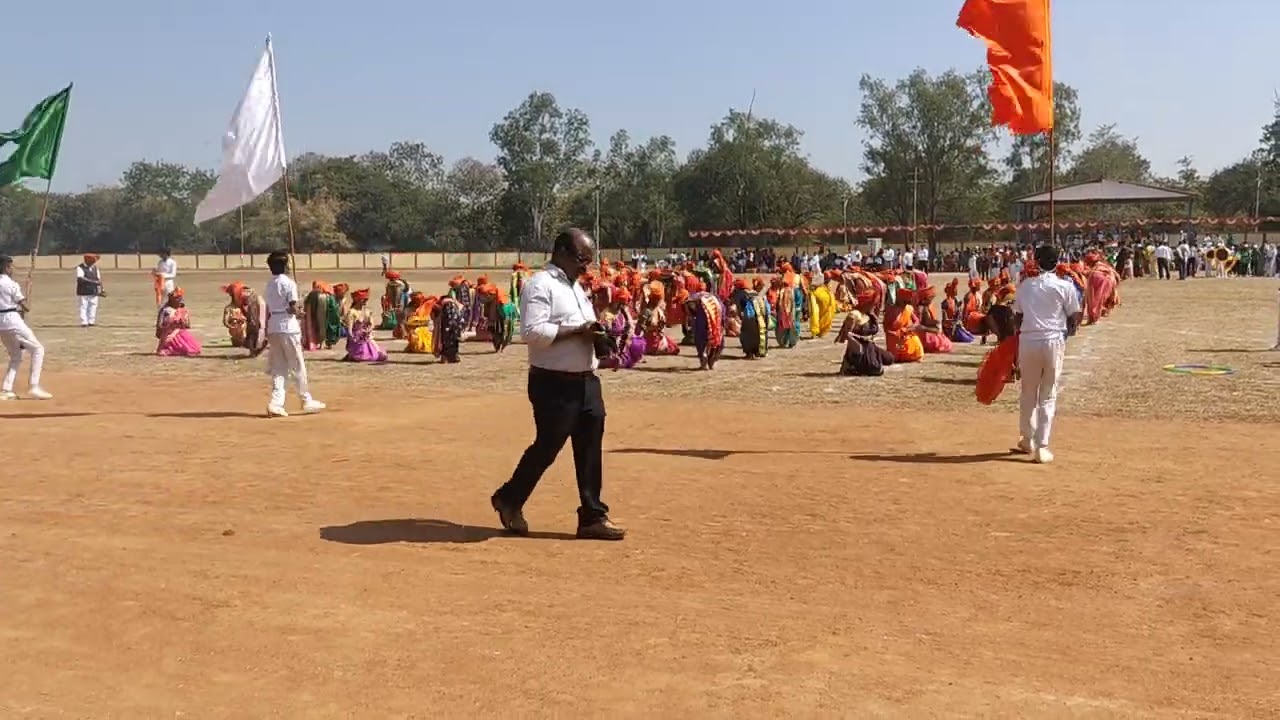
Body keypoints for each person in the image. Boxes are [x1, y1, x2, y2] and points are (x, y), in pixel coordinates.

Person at [491, 228, 624, 541]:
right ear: (561, 251)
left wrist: (598, 336)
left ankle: (592, 516)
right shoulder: (541, 285)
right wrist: (578, 331)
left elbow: (581, 327)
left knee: (590, 448)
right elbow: (532, 332)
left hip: (586, 381)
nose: (586, 268)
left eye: (589, 261)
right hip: (553, 382)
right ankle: (509, 498)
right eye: (582, 260)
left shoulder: (576, 288)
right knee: (547, 447)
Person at [1012, 245, 1083, 464]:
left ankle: (1027, 438)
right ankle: (1042, 446)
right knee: (1048, 394)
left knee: (1028, 391)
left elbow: (1017, 316)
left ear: (1036, 261)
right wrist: (1069, 331)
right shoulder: (1065, 286)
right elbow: (1076, 314)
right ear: (1057, 262)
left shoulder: (1025, 286)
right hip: (1053, 340)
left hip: (1028, 340)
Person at [263, 250, 325, 417]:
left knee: (279, 367)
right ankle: (306, 399)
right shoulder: (289, 283)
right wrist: (300, 311)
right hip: (288, 326)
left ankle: (276, 403)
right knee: (297, 365)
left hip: (273, 326)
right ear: (285, 265)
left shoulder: (269, 284)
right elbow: (292, 307)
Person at [0, 254, 52, 400]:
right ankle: (34, 386)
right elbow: (26, 307)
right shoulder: (11, 284)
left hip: (1, 324)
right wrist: (29, 288)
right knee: (38, 349)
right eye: (10, 266)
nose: (12, 269)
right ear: (6, 267)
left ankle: (6, 389)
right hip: (12, 321)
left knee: (16, 356)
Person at [836, 309, 894, 376]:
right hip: (877, 368)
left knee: (856, 352)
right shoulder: (866, 335)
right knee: (885, 356)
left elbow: (857, 350)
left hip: (866, 367)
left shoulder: (852, 337)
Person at [342, 289, 388, 363]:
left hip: (366, 336)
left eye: (366, 299)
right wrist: (353, 338)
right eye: (363, 299)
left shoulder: (367, 311)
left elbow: (371, 323)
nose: (365, 301)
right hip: (356, 338)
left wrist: (368, 330)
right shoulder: (352, 312)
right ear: (357, 300)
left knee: (380, 355)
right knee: (361, 356)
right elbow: (349, 329)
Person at [154, 289, 203, 356]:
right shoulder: (165, 310)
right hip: (168, 334)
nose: (178, 300)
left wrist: (182, 321)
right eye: (176, 298)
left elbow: (187, 325)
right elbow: (159, 324)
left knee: (192, 349)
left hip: (180, 333)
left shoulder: (182, 310)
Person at [686, 290, 726, 370]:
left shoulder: (690, 301)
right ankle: (712, 361)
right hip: (717, 312)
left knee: (701, 338)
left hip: (705, 313)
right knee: (716, 338)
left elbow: (691, 314)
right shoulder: (715, 299)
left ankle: (704, 361)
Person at [883, 288, 924, 363]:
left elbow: (917, 321)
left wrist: (908, 329)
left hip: (906, 334)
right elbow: (886, 328)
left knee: (915, 339)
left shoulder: (909, 308)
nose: (906, 303)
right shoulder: (891, 310)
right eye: (905, 301)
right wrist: (896, 334)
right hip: (894, 337)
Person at [301, 281, 341, 350]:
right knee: (322, 322)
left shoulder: (313, 293)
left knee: (319, 322)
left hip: (321, 300)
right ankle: (322, 342)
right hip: (324, 300)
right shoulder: (328, 293)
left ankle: (319, 342)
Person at [74, 254, 104, 327]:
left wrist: (101, 289)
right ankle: (84, 322)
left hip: (93, 290)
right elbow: (80, 278)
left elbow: (98, 279)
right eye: (92, 261)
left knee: (93, 306)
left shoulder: (95, 268)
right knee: (83, 306)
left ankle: (91, 321)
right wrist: (93, 282)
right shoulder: (80, 268)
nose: (94, 262)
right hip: (83, 291)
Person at [809, 272, 837, 339]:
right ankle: (818, 331)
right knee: (820, 315)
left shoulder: (824, 287)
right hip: (824, 299)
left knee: (816, 314)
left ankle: (817, 331)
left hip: (822, 299)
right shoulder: (825, 287)